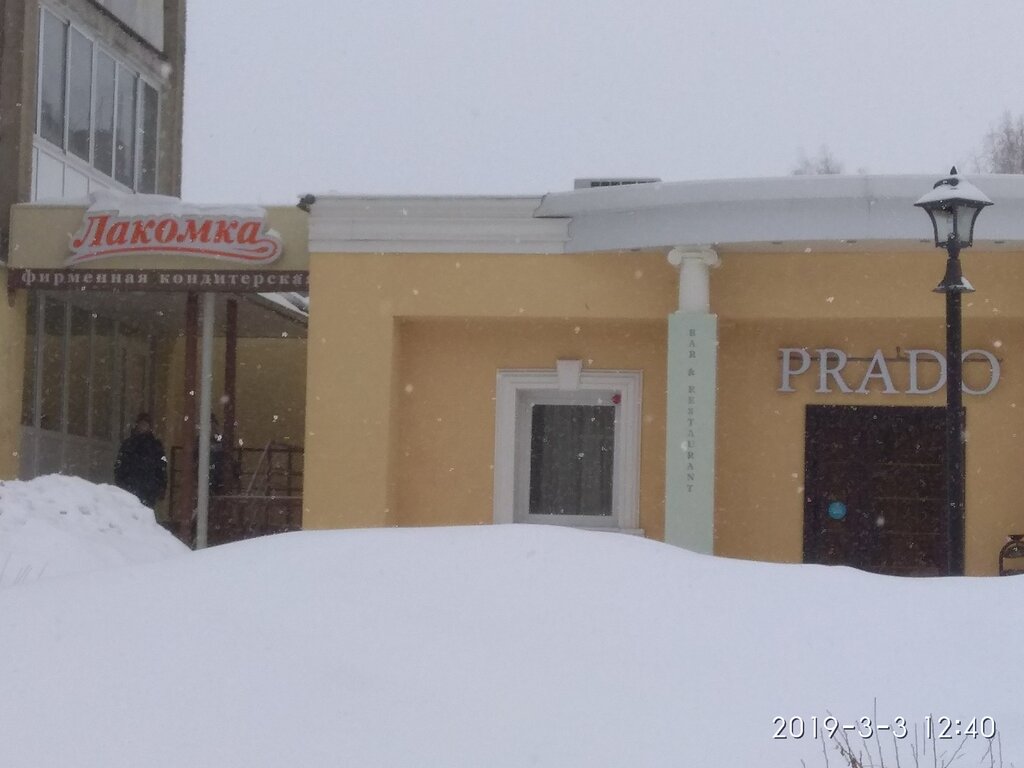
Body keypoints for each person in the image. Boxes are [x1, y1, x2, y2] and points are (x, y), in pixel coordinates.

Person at [114, 413, 168, 508]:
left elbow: (162, 467)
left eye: (146, 425)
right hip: (130, 487)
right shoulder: (129, 444)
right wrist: (121, 481)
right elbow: (120, 464)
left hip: (148, 489)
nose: (143, 427)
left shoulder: (156, 446)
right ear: (137, 425)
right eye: (141, 424)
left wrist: (161, 486)